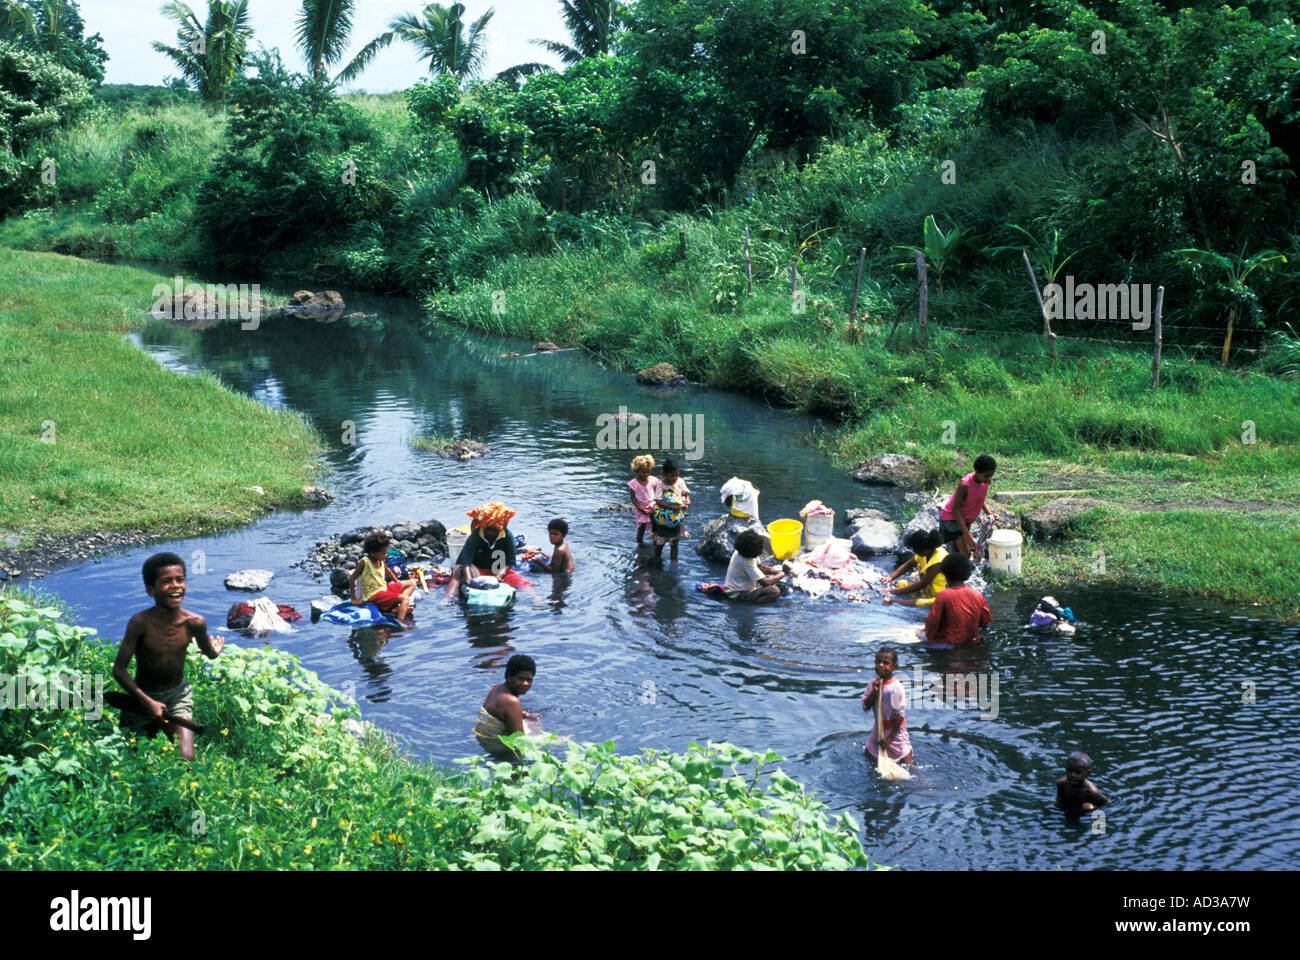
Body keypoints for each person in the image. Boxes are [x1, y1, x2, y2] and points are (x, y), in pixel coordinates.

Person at [112, 553, 225, 762]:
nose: (175, 586)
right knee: (135, 761)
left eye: (180, 580)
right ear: (150, 590)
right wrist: (147, 702)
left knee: (186, 758)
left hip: (177, 696)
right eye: (166, 581)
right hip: (141, 697)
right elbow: (118, 670)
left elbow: (207, 651)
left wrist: (213, 652)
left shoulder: (195, 622)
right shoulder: (140, 623)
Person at [445, 501, 531, 598]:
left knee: (520, 581)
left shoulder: (507, 536)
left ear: (499, 528)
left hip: (497, 569)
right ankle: (448, 598)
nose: (490, 533)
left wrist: (499, 576)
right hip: (477, 569)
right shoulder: (476, 535)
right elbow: (466, 561)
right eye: (487, 529)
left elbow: (509, 563)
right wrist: (469, 578)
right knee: (458, 573)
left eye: (493, 530)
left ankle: (536, 598)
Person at [473, 654, 540, 761]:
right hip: (497, 748)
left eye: (529, 680)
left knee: (532, 721)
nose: (525, 684)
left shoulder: (498, 688)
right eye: (521, 679)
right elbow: (520, 741)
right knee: (544, 732)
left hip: (484, 741)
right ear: (509, 676)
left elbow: (502, 711)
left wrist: (525, 714)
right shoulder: (512, 701)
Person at [921, 553, 992, 646]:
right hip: (972, 643)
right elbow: (984, 622)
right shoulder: (978, 595)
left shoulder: (943, 595)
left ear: (945, 574)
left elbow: (931, 625)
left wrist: (926, 636)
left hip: (948, 645)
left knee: (917, 633)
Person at [940, 454, 999, 559]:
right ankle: (962, 572)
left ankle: (954, 570)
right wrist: (966, 533)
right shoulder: (965, 485)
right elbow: (955, 510)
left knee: (958, 551)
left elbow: (980, 499)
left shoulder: (984, 482)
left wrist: (989, 513)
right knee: (966, 553)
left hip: (965, 520)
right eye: (986, 476)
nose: (989, 479)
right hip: (952, 520)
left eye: (991, 476)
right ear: (976, 472)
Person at [349, 532, 417, 621]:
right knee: (405, 598)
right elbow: (352, 578)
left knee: (412, 582)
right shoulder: (365, 562)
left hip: (384, 588)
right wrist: (354, 599)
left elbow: (387, 570)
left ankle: (398, 607)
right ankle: (401, 623)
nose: (386, 555)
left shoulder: (381, 560)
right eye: (383, 553)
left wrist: (397, 582)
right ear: (373, 553)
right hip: (373, 595)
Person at [861, 646, 912, 765]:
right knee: (869, 754)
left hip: (895, 731)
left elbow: (900, 716)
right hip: (878, 728)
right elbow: (865, 707)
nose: (881, 665)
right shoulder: (872, 684)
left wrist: (890, 739)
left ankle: (915, 775)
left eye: (886, 663)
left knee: (903, 756)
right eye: (878, 662)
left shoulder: (896, 687)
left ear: (895, 666)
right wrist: (874, 692)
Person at [881, 529, 948, 607]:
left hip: (939, 596)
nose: (916, 553)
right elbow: (909, 564)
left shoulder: (938, 560)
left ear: (926, 548)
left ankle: (894, 601)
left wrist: (893, 592)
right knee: (901, 583)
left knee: (919, 603)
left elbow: (922, 584)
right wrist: (891, 577)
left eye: (917, 550)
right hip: (928, 591)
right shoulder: (925, 552)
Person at [725, 529, 788, 603]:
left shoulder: (743, 551)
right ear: (752, 551)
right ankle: (754, 604)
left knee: (780, 584)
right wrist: (784, 573)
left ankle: (755, 594)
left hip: (744, 588)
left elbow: (760, 567)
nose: (761, 552)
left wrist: (775, 571)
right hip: (738, 593)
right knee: (774, 591)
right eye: (759, 550)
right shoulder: (747, 562)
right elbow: (766, 582)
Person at [651, 457, 692, 561]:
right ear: (664, 474)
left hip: (675, 519)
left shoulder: (680, 481)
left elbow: (685, 492)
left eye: (677, 474)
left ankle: (674, 562)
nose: (675, 478)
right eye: (672, 475)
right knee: (660, 543)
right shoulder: (661, 484)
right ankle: (656, 561)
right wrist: (673, 507)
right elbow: (658, 501)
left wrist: (687, 499)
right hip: (663, 519)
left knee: (674, 543)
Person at [627, 454, 660, 545]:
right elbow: (633, 497)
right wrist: (639, 508)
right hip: (641, 508)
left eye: (648, 471)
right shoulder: (634, 484)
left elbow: (658, 491)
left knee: (655, 524)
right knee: (641, 528)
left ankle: (655, 538)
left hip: (653, 506)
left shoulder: (653, 480)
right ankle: (639, 543)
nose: (646, 474)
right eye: (644, 472)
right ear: (637, 471)